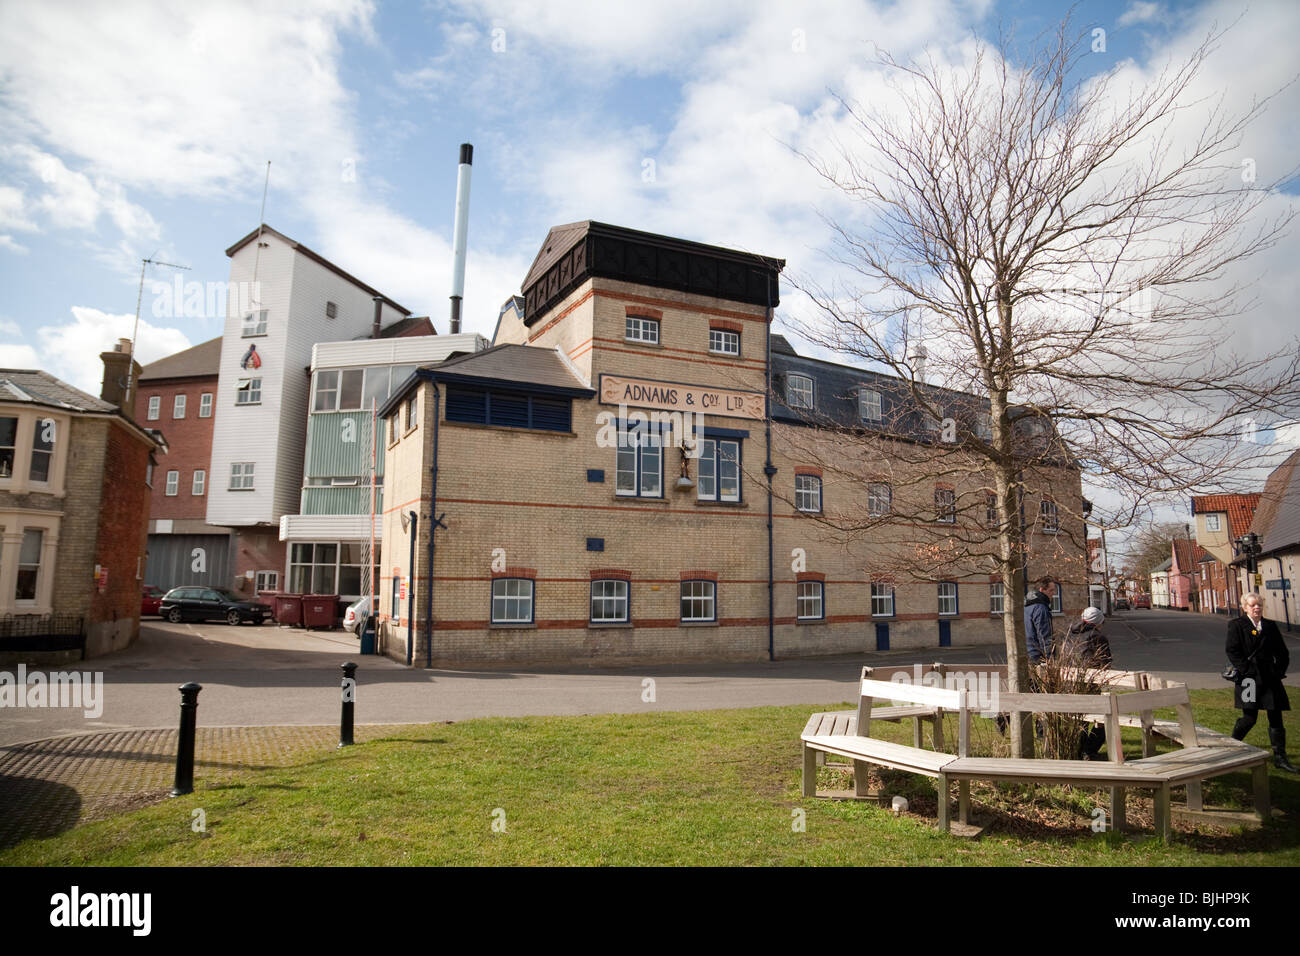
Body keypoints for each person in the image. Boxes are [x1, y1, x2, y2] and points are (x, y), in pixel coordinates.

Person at [1227, 592, 1296, 772]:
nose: (1257, 608)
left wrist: (1279, 671)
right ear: (1245, 608)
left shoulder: (1270, 626)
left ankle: (1280, 758)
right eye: (1252, 605)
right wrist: (1246, 670)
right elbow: (1232, 651)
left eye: (1259, 605)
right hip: (1248, 679)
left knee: (1276, 717)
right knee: (1249, 718)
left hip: (1270, 678)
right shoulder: (1236, 625)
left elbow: (1282, 652)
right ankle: (1230, 748)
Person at [1064, 606, 1111, 759]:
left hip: (1069, 684)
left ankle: (1077, 749)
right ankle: (1088, 751)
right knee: (1103, 719)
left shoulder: (1069, 634)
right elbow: (1106, 663)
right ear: (1097, 623)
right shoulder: (1098, 638)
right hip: (1088, 685)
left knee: (1080, 719)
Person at [1025, 577, 1056, 666]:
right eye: (1051, 590)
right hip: (1037, 657)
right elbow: (1045, 636)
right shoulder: (1040, 608)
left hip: (1026, 653)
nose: (1053, 593)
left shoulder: (1026, 606)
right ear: (1042, 590)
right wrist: (1050, 659)